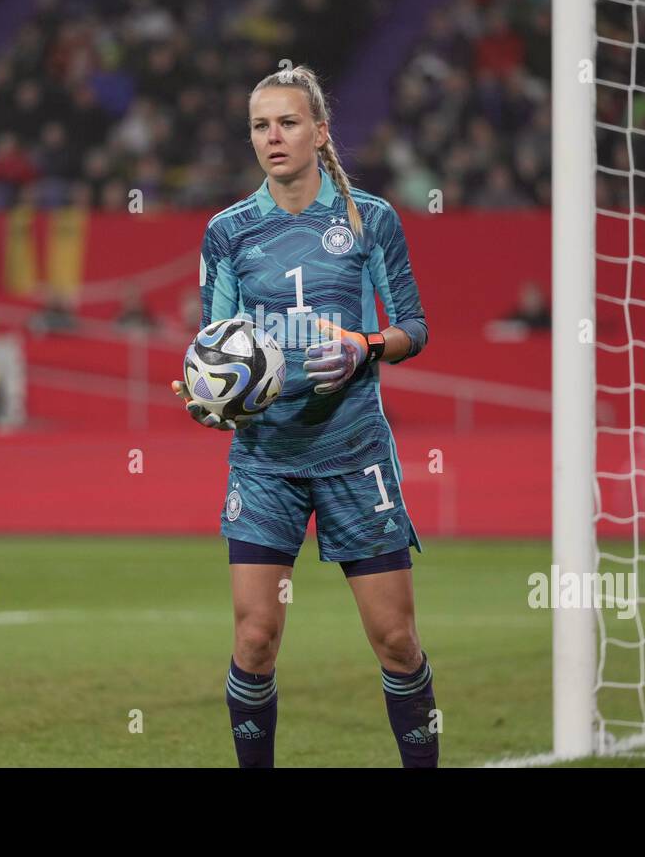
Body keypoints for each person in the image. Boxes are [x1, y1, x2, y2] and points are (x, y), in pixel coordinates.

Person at [170, 65, 436, 768]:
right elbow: (216, 345)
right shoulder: (227, 232)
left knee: (396, 642)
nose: (273, 136)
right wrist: (210, 399)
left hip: (355, 454)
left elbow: (413, 327)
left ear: (320, 132)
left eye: (288, 122)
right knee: (255, 639)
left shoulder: (369, 219)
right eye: (260, 125)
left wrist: (364, 347)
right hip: (265, 461)